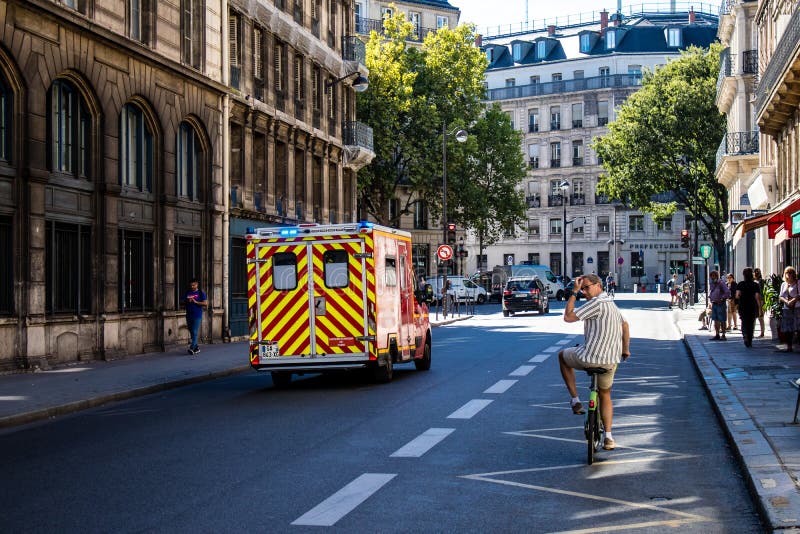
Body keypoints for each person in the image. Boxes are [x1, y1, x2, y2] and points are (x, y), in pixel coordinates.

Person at [558, 273, 631, 451]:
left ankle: (575, 400)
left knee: (562, 356)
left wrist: (573, 292)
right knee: (605, 394)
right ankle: (608, 437)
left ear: (598, 285)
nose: (584, 291)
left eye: (586, 287)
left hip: (589, 357)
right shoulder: (612, 304)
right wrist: (625, 349)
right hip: (610, 361)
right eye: (582, 289)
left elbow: (568, 317)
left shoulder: (596, 303)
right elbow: (625, 325)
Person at [736, 267, 763, 348]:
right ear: (752, 275)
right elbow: (757, 297)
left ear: (744, 275)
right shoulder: (755, 285)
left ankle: (745, 335)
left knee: (744, 322)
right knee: (751, 323)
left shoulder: (740, 284)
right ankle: (750, 340)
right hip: (752, 306)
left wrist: (737, 303)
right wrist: (760, 308)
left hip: (743, 305)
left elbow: (737, 296)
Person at [182, 278, 208, 354]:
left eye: (193, 285)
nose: (192, 286)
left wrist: (195, 302)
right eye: (191, 285)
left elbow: (205, 303)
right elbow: (183, 301)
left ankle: (192, 347)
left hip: (197, 315)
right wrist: (187, 301)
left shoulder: (201, 293)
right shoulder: (187, 292)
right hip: (188, 315)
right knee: (192, 332)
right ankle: (196, 348)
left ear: (197, 284)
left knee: (194, 331)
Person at [778, 266, 800, 352]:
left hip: (797, 308)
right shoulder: (784, 284)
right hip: (786, 309)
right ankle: (789, 346)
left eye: (791, 272)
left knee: (798, 327)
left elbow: (799, 295)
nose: (789, 275)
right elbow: (781, 296)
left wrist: (793, 301)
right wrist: (787, 302)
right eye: (787, 273)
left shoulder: (798, 283)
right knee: (788, 329)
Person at [708, 270, 730, 341]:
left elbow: (727, 292)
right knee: (715, 320)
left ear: (716, 276)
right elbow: (711, 291)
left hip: (720, 304)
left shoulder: (721, 283)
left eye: (713, 276)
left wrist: (722, 298)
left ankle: (723, 335)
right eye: (711, 276)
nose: (712, 278)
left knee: (722, 320)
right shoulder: (712, 283)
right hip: (714, 303)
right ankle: (717, 334)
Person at [754, 268, 766, 337]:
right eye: (755, 272)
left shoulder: (761, 281)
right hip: (755, 300)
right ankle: (752, 332)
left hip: (760, 300)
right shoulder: (753, 281)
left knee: (760, 316)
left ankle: (762, 332)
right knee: (755, 317)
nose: (756, 273)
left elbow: (762, 292)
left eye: (757, 272)